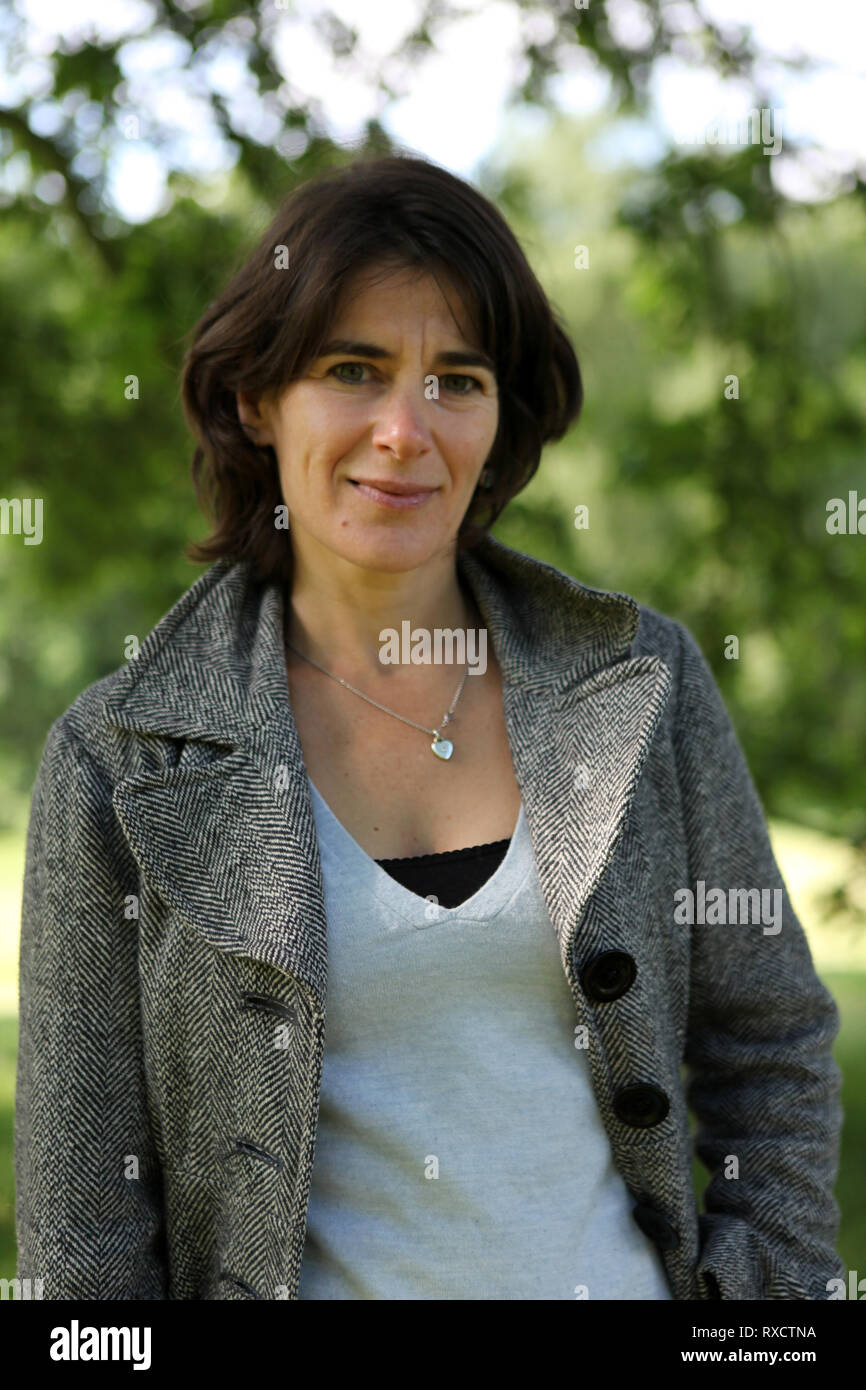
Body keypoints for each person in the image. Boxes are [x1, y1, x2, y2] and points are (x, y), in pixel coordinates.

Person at [15, 152, 844, 1301]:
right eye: (353, 369)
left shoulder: (639, 682)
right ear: (256, 399)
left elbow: (771, 1044)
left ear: (500, 419)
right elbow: (81, 1236)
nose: (405, 430)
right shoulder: (117, 760)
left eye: (456, 379)